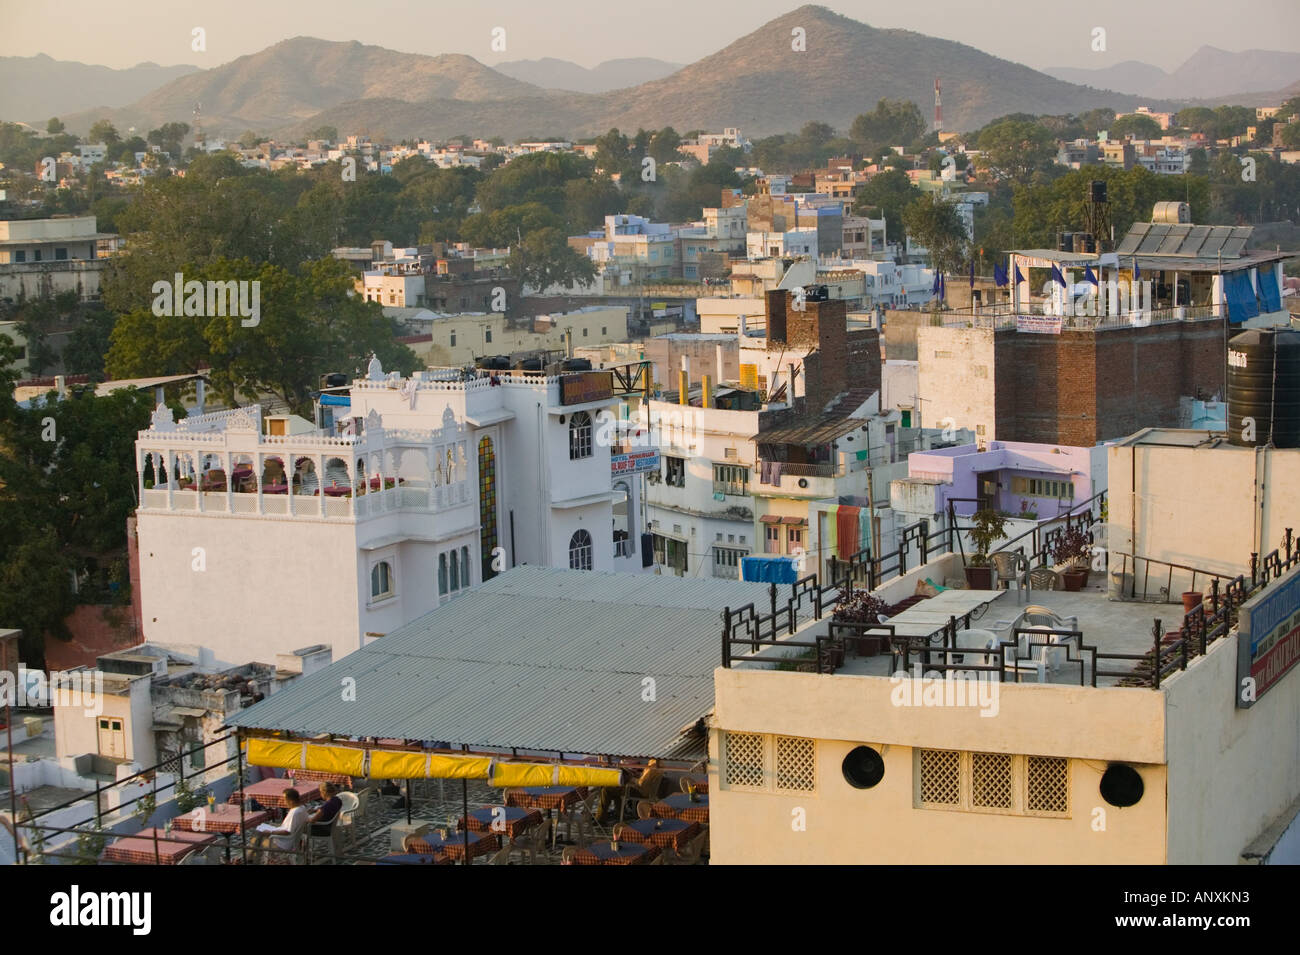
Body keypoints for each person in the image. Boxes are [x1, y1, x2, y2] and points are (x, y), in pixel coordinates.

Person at [252, 788, 308, 863]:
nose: (284, 802)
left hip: (283, 844)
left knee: (256, 840)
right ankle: (251, 859)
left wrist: (271, 832)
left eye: (285, 800)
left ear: (291, 801)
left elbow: (287, 832)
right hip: (291, 840)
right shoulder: (302, 808)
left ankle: (251, 860)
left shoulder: (295, 813)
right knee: (258, 835)